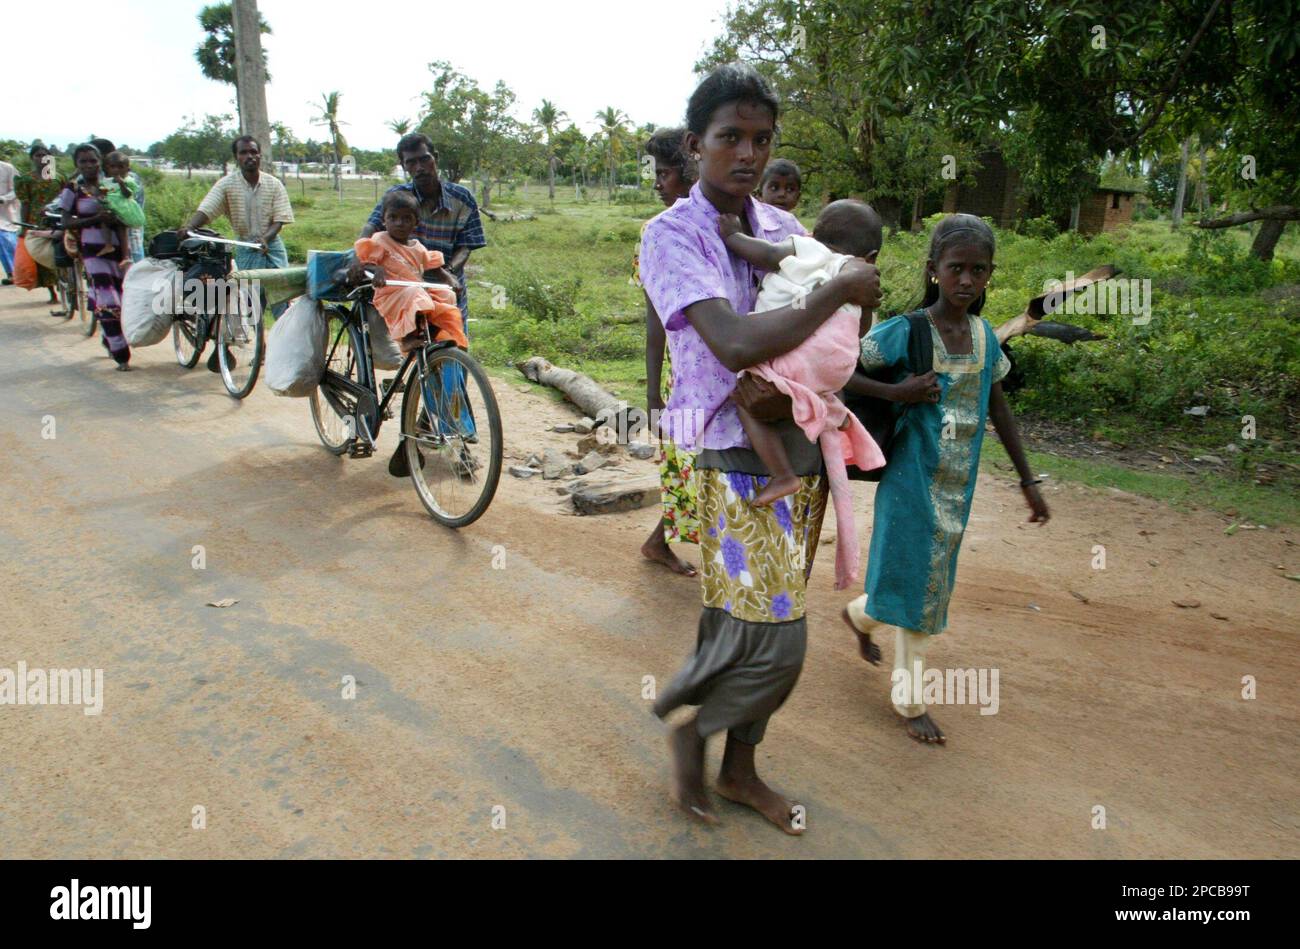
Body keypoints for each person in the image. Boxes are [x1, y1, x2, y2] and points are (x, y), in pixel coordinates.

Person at [640, 64, 881, 832]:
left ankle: (736, 767)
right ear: (696, 143)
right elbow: (737, 340)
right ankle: (693, 725)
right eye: (729, 138)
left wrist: (847, 303)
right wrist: (838, 292)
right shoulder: (671, 235)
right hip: (734, 451)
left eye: (761, 139)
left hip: (802, 444)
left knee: (740, 616)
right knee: (778, 637)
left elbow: (847, 326)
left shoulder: (781, 228)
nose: (746, 154)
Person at [842, 214, 1050, 744]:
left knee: (928, 576)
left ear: (988, 276)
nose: (965, 280)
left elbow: (999, 409)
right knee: (920, 580)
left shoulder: (984, 337)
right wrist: (897, 393)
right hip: (910, 478)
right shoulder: (905, 330)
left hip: (959, 486)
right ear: (933, 270)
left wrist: (1029, 482)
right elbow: (842, 370)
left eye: (977, 271)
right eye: (955, 268)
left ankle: (862, 617)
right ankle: (910, 701)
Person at [717, 200, 887, 589]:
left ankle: (781, 474)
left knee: (746, 398)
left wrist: (731, 235)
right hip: (835, 365)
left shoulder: (805, 247)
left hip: (794, 353)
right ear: (872, 255)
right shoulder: (858, 279)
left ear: (815, 232)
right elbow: (860, 331)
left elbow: (764, 254)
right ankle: (810, 403)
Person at [359, 132, 486, 475]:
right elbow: (368, 234)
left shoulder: (461, 198)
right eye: (410, 162)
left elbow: (468, 243)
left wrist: (447, 273)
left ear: (435, 158)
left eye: (423, 159)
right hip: (401, 291)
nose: (418, 167)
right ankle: (452, 440)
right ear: (403, 165)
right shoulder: (396, 198)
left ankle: (436, 427)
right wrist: (366, 262)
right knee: (427, 361)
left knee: (453, 358)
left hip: (444, 290)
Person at [638, 127, 701, 578]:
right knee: (690, 464)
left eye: (664, 174)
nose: (658, 183)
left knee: (703, 462)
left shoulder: (724, 221)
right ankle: (660, 542)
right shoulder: (657, 233)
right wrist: (653, 391)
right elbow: (655, 316)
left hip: (721, 364)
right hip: (682, 374)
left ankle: (659, 540)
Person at [181, 135, 295, 368]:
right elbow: (208, 207)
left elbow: (280, 219)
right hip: (245, 248)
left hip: (271, 247)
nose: (249, 156)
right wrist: (191, 226)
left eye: (253, 152)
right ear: (237, 157)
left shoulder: (274, 184)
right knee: (254, 302)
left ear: (260, 155)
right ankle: (261, 349)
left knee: (281, 301)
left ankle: (285, 352)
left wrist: (266, 237)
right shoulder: (227, 184)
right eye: (243, 153)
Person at [354, 190, 467, 353]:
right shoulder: (380, 240)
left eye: (406, 219)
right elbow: (366, 261)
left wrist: (449, 278)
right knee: (417, 293)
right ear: (383, 220)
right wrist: (376, 269)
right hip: (391, 294)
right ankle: (407, 339)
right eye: (393, 217)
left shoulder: (417, 246)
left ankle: (432, 337)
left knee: (446, 295)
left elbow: (434, 266)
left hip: (414, 293)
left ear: (416, 223)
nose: (399, 223)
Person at [59, 144, 130, 370]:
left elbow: (127, 212)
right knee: (109, 299)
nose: (89, 165)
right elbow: (66, 222)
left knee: (121, 297)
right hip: (92, 250)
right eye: (83, 162)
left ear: (100, 161)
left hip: (119, 249)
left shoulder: (110, 184)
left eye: (93, 161)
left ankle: (108, 336)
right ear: (76, 164)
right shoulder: (72, 188)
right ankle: (121, 354)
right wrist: (95, 219)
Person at [13, 142, 64, 306]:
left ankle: (69, 288)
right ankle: (53, 292)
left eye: (45, 155)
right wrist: (24, 227)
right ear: (32, 158)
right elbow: (25, 204)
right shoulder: (25, 179)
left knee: (63, 253)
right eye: (38, 155)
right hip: (37, 222)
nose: (42, 158)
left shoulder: (59, 177)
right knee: (42, 257)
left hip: (58, 219)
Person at [101, 151, 145, 263]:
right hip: (112, 209)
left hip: (125, 211)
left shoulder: (129, 179)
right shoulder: (106, 181)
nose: (116, 170)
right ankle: (108, 244)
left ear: (127, 168)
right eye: (113, 167)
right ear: (107, 168)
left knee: (128, 237)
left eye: (120, 167)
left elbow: (129, 195)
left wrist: (121, 183)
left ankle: (127, 257)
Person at [0, 156, 17, 283]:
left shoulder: (7, 168)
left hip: (6, 214)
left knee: (5, 239)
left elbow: (17, 190)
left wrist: (4, 198)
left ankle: (14, 272)